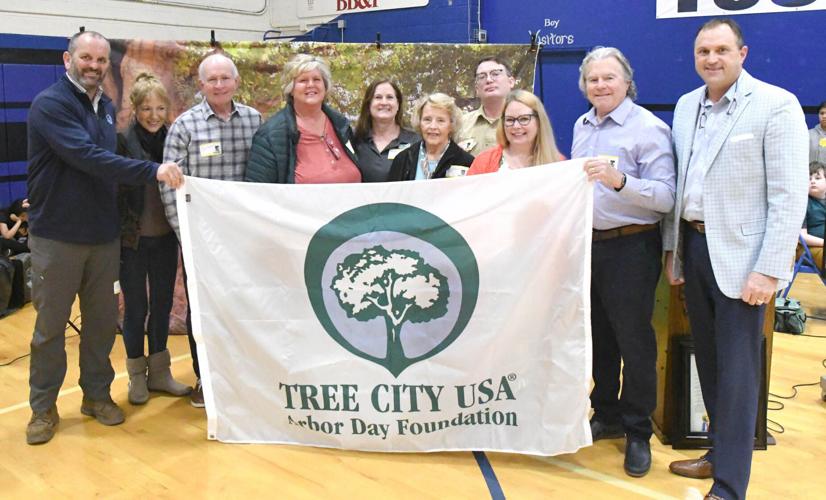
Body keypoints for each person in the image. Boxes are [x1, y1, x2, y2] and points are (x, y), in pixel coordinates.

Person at [663, 19, 808, 500]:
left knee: (738, 374)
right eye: (703, 51)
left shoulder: (776, 104)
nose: (711, 58)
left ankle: (729, 486)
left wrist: (768, 269)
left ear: (742, 54)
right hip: (695, 247)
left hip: (745, 260)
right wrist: (674, 252)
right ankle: (717, 454)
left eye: (721, 50)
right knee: (708, 363)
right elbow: (683, 185)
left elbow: (789, 197)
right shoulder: (686, 106)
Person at [25, 31, 183, 445]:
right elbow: (88, 158)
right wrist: (153, 170)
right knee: (50, 328)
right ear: (68, 60)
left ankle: (96, 396)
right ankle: (42, 408)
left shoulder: (107, 108)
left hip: (103, 236)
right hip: (57, 236)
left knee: (99, 325)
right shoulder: (51, 104)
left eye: (99, 59)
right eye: (86, 58)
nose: (94, 66)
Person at [571, 46, 676, 478]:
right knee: (599, 337)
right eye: (593, 79)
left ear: (627, 82)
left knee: (634, 343)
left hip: (632, 247)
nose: (600, 85)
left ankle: (637, 430)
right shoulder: (581, 125)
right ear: (584, 86)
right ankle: (606, 413)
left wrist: (620, 182)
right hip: (590, 246)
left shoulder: (649, 128)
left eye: (608, 78)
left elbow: (665, 197)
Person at [160, 52, 262, 408]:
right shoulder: (184, 126)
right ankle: (206, 377)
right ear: (201, 85)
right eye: (212, 80)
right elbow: (168, 187)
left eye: (225, 78)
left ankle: (247, 375)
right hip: (201, 239)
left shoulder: (254, 121)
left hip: (244, 239)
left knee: (246, 304)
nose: (219, 85)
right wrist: (187, 235)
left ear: (236, 82)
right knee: (204, 309)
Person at [117, 72, 190, 405]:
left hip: (165, 239)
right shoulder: (122, 141)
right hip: (132, 240)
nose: (154, 115)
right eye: (146, 108)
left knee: (162, 304)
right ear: (135, 109)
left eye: (160, 108)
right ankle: (136, 375)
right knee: (136, 307)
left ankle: (160, 372)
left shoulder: (175, 138)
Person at [245, 54, 360, 184]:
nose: (311, 85)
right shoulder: (271, 135)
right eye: (303, 80)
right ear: (291, 89)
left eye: (316, 79)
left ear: (325, 86)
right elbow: (259, 191)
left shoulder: (341, 125)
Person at [467, 89, 562, 174]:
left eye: (524, 119)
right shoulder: (483, 162)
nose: (516, 126)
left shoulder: (558, 163)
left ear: (539, 121)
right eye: (510, 120)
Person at [387, 93, 474, 181]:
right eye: (427, 119)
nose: (433, 126)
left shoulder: (466, 162)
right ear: (419, 122)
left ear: (451, 125)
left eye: (440, 120)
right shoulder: (402, 159)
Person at [353, 79, 419, 182]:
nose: (384, 102)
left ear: (398, 104)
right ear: (369, 104)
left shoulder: (415, 141)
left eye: (389, 97)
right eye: (378, 97)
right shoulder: (354, 140)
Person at [458, 57, 516, 156]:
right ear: (477, 89)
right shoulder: (461, 125)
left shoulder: (525, 122)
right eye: (482, 77)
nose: (489, 80)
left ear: (511, 82)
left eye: (495, 74)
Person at [799, 161, 826, 268]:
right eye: (809, 179)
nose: (813, 181)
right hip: (810, 247)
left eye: (817, 178)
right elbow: (802, 237)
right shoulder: (803, 203)